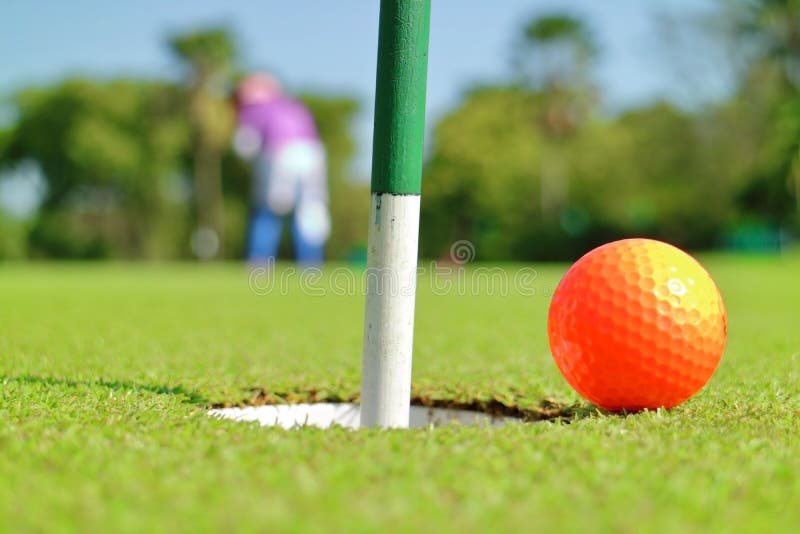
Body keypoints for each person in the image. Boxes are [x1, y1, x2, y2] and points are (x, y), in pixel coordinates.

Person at [233, 73, 330, 263]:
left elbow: (245, 145)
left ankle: (259, 260)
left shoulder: (253, 110)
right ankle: (311, 263)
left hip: (278, 155)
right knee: (309, 209)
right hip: (313, 155)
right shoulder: (295, 106)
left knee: (268, 209)